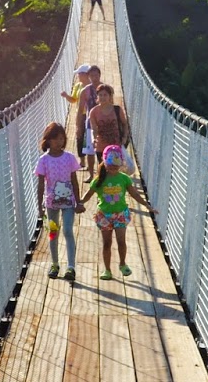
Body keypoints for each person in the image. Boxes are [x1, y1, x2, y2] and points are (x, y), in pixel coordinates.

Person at [81, 145, 154, 280]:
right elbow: (89, 194)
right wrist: (80, 202)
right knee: (106, 243)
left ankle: (122, 263)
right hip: (104, 215)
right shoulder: (99, 180)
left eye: (116, 165)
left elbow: (134, 194)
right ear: (105, 163)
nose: (114, 168)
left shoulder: (124, 178)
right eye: (111, 165)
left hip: (120, 214)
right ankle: (107, 270)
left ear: (120, 164)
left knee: (121, 241)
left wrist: (146, 205)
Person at [35, 122, 84, 280]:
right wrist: (39, 206)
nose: (59, 142)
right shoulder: (43, 160)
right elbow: (41, 184)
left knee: (68, 231)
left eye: (62, 138)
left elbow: (75, 181)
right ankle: (55, 264)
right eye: (55, 139)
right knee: (53, 234)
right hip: (51, 204)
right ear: (48, 140)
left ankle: (71, 267)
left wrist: (79, 201)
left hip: (69, 202)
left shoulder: (69, 158)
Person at [85, 83, 131, 171]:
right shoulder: (93, 112)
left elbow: (125, 124)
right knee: (103, 171)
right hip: (101, 146)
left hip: (116, 146)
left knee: (115, 170)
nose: (102, 97)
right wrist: (93, 139)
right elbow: (94, 129)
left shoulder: (117, 109)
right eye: (100, 95)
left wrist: (125, 137)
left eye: (105, 95)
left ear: (110, 96)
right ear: (97, 96)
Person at [60, 63, 94, 163]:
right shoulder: (78, 86)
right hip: (81, 115)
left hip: (91, 115)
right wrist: (66, 96)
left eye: (79, 74)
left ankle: (91, 161)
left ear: (85, 74)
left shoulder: (94, 86)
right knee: (79, 135)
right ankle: (82, 160)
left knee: (89, 137)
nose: (77, 76)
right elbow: (74, 100)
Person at [76, 66, 101, 177]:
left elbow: (112, 107)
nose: (94, 78)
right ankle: (91, 175)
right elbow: (80, 110)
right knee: (89, 152)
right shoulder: (85, 91)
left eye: (96, 75)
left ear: (100, 75)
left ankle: (102, 175)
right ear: (88, 77)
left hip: (103, 125)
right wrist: (78, 127)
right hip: (89, 125)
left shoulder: (105, 89)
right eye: (92, 76)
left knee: (102, 151)